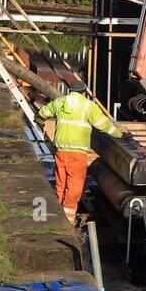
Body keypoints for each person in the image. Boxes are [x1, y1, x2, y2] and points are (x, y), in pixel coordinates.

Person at [37, 87, 124, 223]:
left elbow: (43, 112)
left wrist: (39, 119)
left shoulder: (60, 102)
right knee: (75, 185)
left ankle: (59, 210)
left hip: (61, 151)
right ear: (83, 92)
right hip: (77, 153)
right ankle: (68, 217)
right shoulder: (89, 106)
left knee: (61, 182)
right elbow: (104, 125)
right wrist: (120, 134)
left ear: (70, 90)